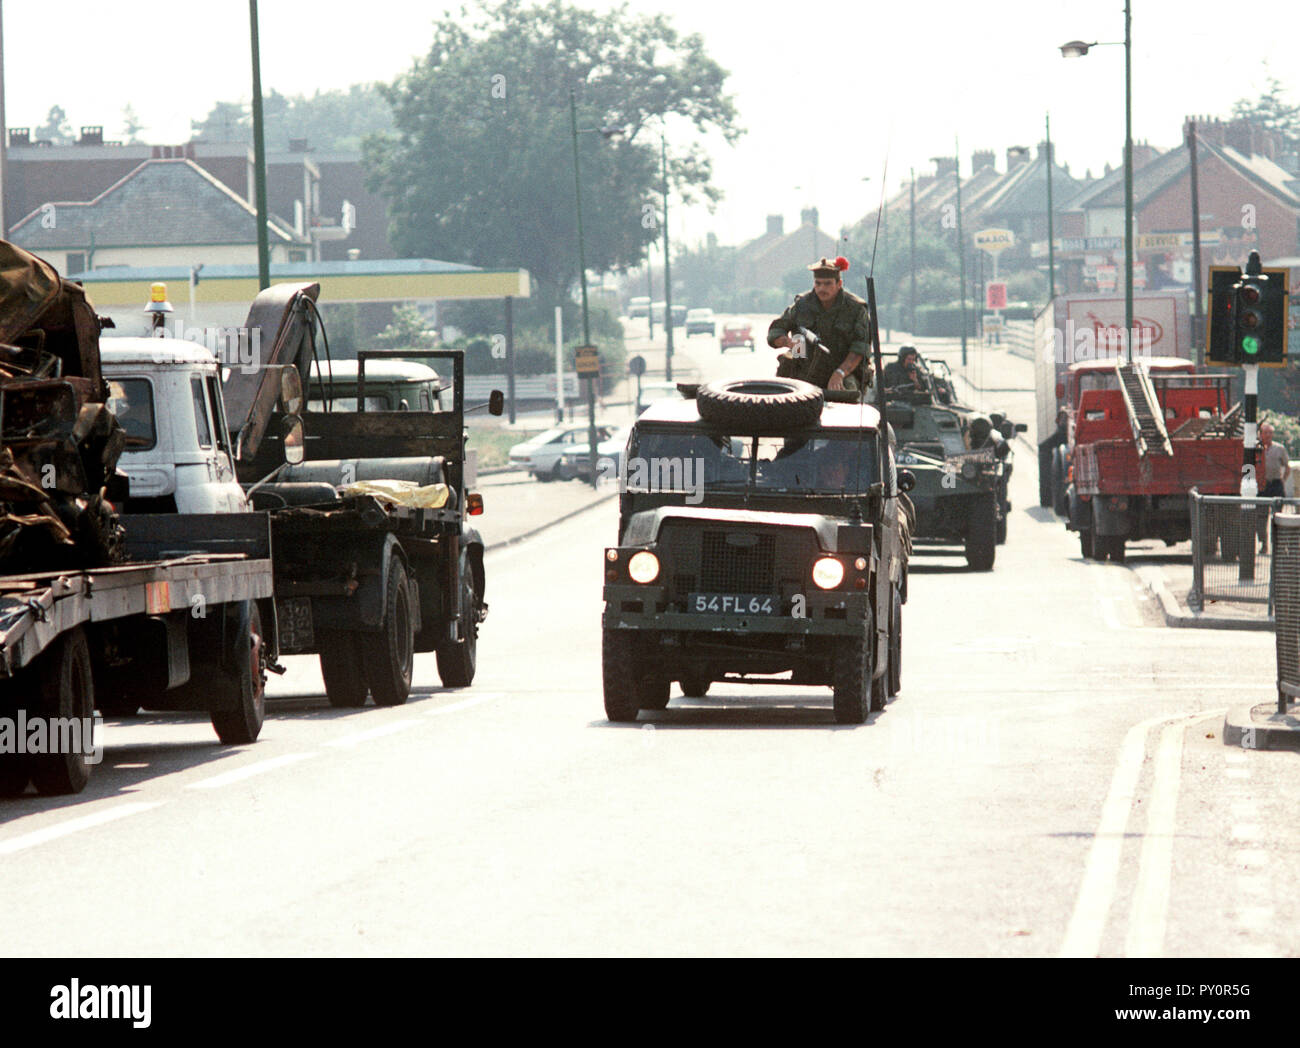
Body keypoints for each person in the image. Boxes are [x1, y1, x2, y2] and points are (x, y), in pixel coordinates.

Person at [768, 256, 870, 392]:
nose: (822, 288)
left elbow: (860, 349)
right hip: (803, 372)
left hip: (842, 373)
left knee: (847, 394)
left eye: (828, 283)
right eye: (818, 283)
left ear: (839, 284)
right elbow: (777, 328)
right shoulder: (802, 305)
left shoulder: (855, 309)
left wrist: (839, 373)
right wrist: (786, 341)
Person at [1257, 422, 1291, 553]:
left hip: (1276, 484)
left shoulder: (1279, 448)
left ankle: (1277, 544)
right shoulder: (1256, 448)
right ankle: (1264, 544)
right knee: (1261, 517)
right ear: (1261, 434)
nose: (1268, 435)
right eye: (1266, 432)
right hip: (1262, 485)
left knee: (1277, 515)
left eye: (1270, 432)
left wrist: (1282, 480)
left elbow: (1287, 467)